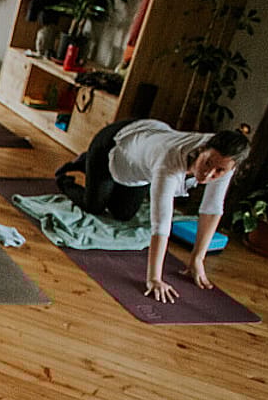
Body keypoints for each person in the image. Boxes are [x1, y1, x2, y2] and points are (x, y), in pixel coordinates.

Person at [54, 119, 250, 303]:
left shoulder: (225, 158)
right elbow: (161, 223)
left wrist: (198, 258)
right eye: (207, 163)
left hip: (140, 160)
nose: (209, 174)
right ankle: (80, 165)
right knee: (94, 206)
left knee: (123, 214)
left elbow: (212, 208)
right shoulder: (169, 161)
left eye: (219, 171)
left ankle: (102, 179)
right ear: (201, 150)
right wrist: (154, 278)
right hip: (113, 145)